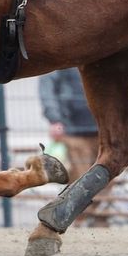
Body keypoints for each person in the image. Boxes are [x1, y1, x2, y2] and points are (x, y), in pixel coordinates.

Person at [39, 67, 109, 225]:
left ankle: (99, 220)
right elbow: (48, 86)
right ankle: (78, 220)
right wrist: (54, 118)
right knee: (81, 177)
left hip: (101, 127)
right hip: (73, 129)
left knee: (106, 177)